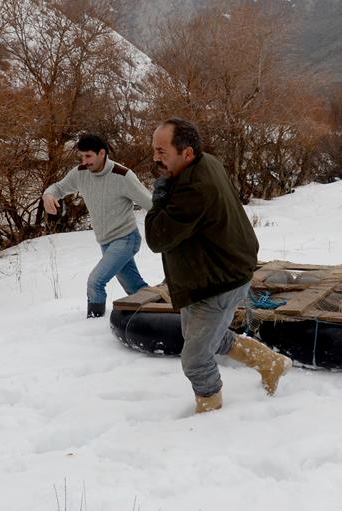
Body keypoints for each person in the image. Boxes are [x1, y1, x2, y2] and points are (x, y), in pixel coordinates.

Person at [145, 117, 292, 413]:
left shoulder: (194, 189)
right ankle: (271, 362)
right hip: (208, 272)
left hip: (219, 280)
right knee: (202, 338)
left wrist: (158, 199)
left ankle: (210, 407)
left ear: (187, 153)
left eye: (162, 152)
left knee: (195, 358)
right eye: (155, 150)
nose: (155, 159)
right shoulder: (205, 161)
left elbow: (156, 237)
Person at [43, 133, 154, 318]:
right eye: (82, 157)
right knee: (134, 288)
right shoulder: (80, 173)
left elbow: (151, 205)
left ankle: (93, 324)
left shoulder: (123, 175)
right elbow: (58, 188)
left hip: (126, 238)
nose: (84, 161)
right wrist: (48, 195)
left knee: (95, 282)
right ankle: (160, 313)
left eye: (88, 156)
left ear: (102, 153)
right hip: (106, 241)